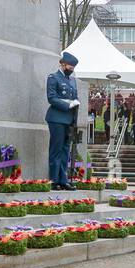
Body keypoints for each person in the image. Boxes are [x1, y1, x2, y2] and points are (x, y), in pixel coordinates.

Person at [44, 50, 81, 190]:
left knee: (65, 150)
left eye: (72, 68)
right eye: (69, 68)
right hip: (56, 118)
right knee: (56, 149)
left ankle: (63, 179)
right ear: (63, 64)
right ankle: (54, 180)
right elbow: (51, 98)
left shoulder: (72, 80)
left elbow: (75, 96)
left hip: (69, 119)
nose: (71, 70)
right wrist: (67, 104)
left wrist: (75, 102)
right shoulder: (53, 77)